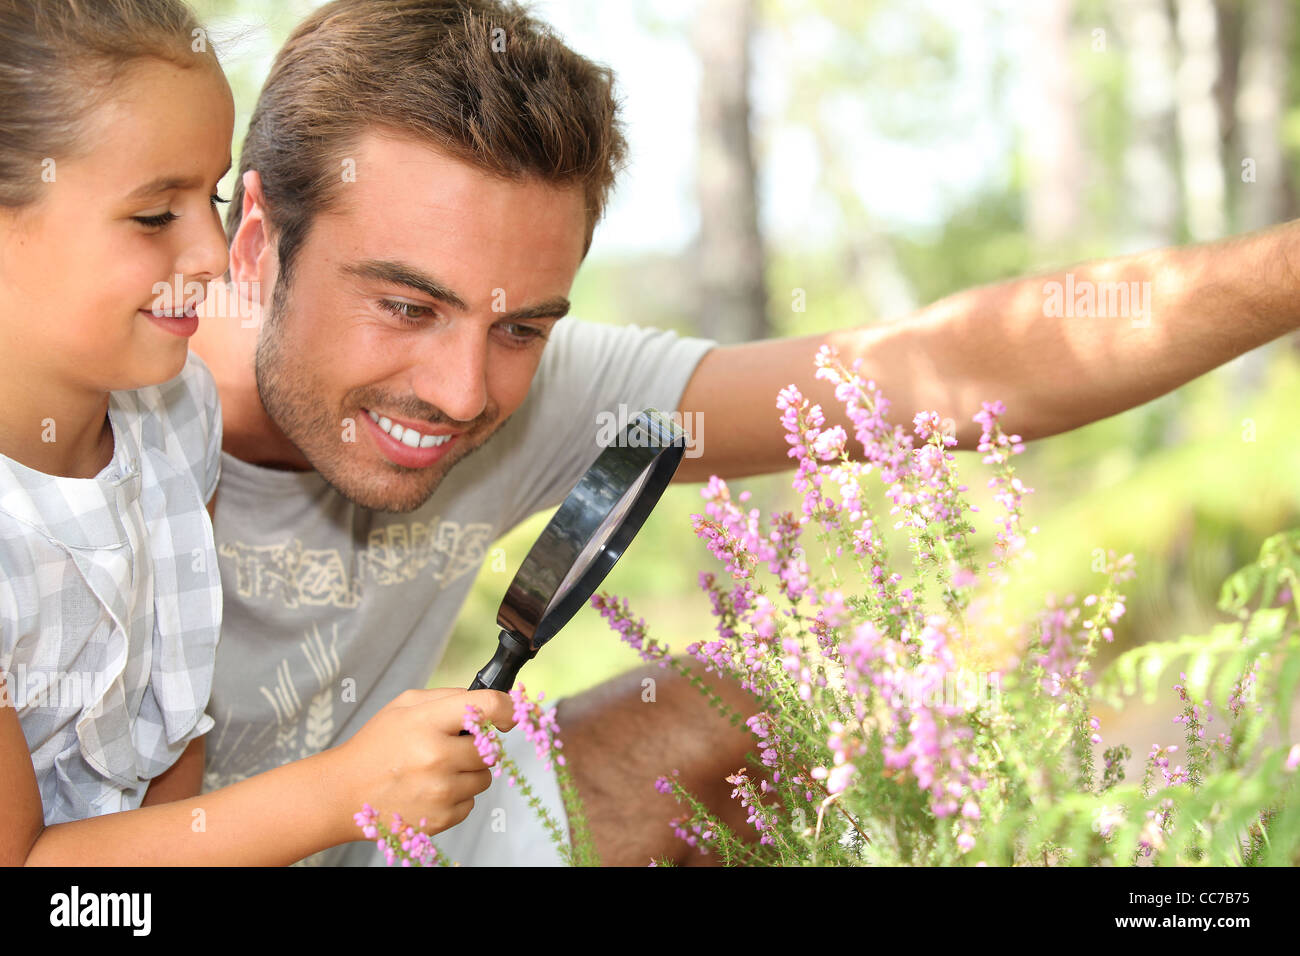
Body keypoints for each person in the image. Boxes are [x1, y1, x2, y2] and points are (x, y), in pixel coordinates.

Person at [193, 0, 1300, 866]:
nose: (462, 388)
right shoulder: (94, 428)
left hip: (391, 838)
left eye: (522, 324)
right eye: (404, 305)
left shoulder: (547, 391)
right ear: (257, 239)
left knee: (746, 709)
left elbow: (952, 368)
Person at [0, 0, 517, 867]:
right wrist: (343, 792)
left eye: (209, 196)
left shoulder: (174, 418)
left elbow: (168, 748)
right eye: (155, 214)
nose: (210, 251)